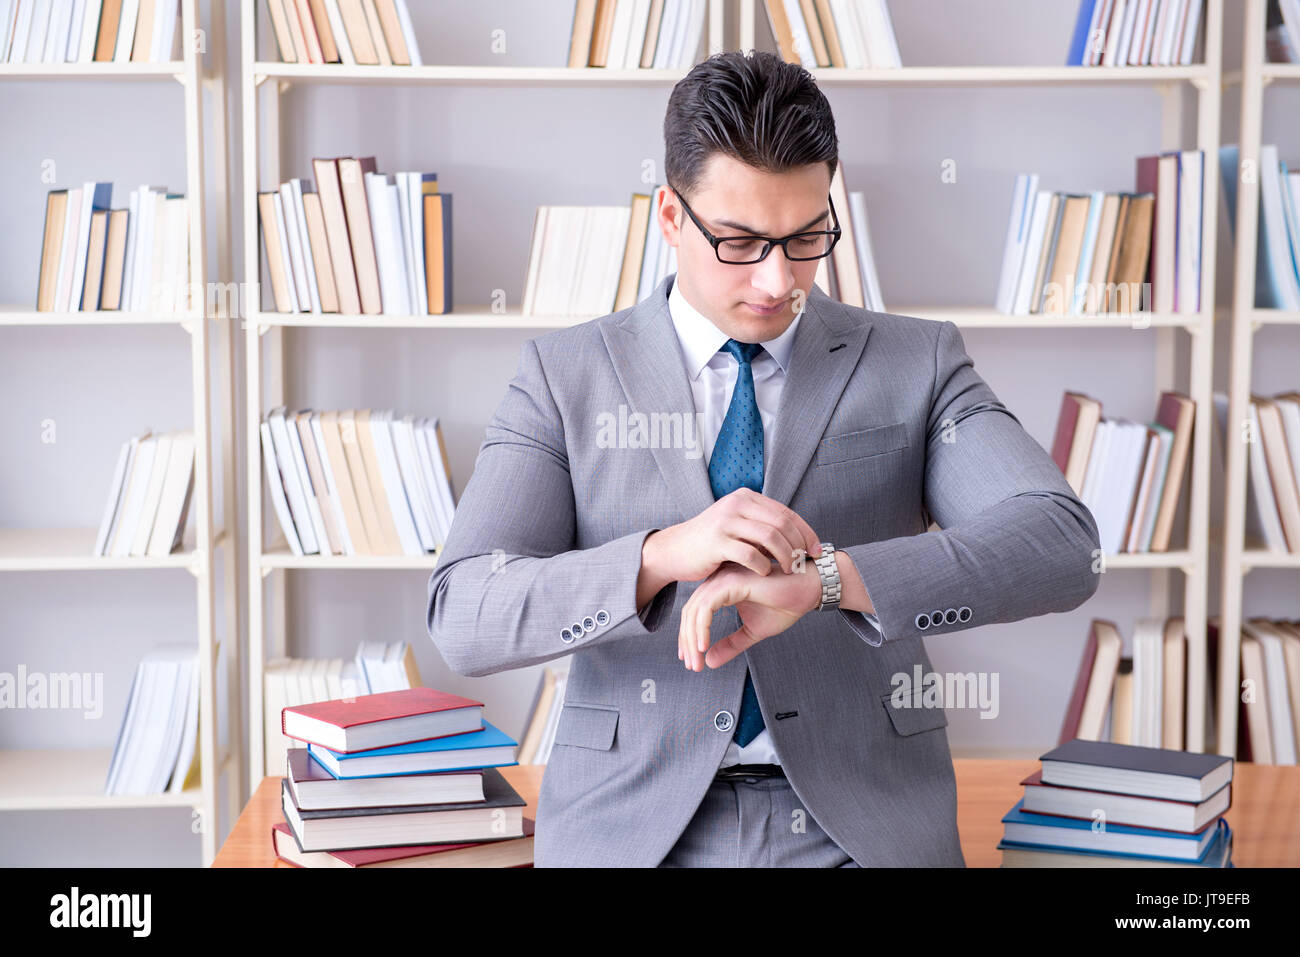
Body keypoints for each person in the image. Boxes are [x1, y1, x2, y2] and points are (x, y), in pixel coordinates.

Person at [426, 50, 1101, 867]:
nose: (780, 279)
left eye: (807, 235)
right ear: (671, 217)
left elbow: (1061, 543)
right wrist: (659, 556)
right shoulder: (564, 376)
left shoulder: (912, 361)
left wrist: (826, 583)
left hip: (863, 821)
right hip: (631, 827)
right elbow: (465, 611)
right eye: (741, 242)